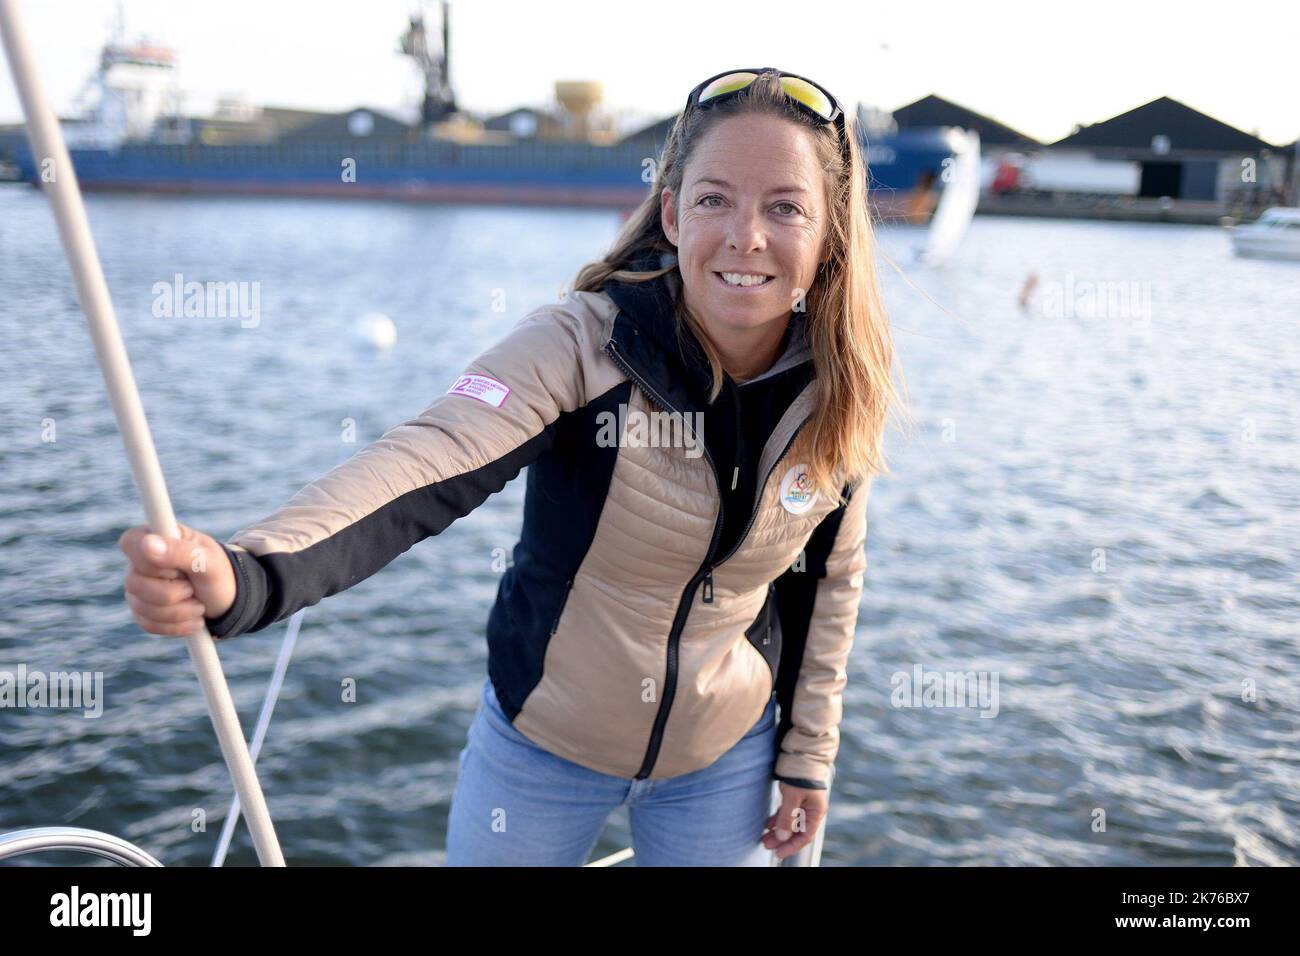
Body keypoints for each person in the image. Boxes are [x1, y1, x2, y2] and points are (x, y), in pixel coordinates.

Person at [118, 67, 905, 866]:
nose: (746, 237)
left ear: (829, 232)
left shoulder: (839, 393)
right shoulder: (582, 344)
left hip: (723, 763)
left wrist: (808, 757)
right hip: (540, 747)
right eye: (713, 200)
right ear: (670, 213)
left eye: (785, 207)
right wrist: (250, 571)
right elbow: (429, 456)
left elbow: (827, 585)